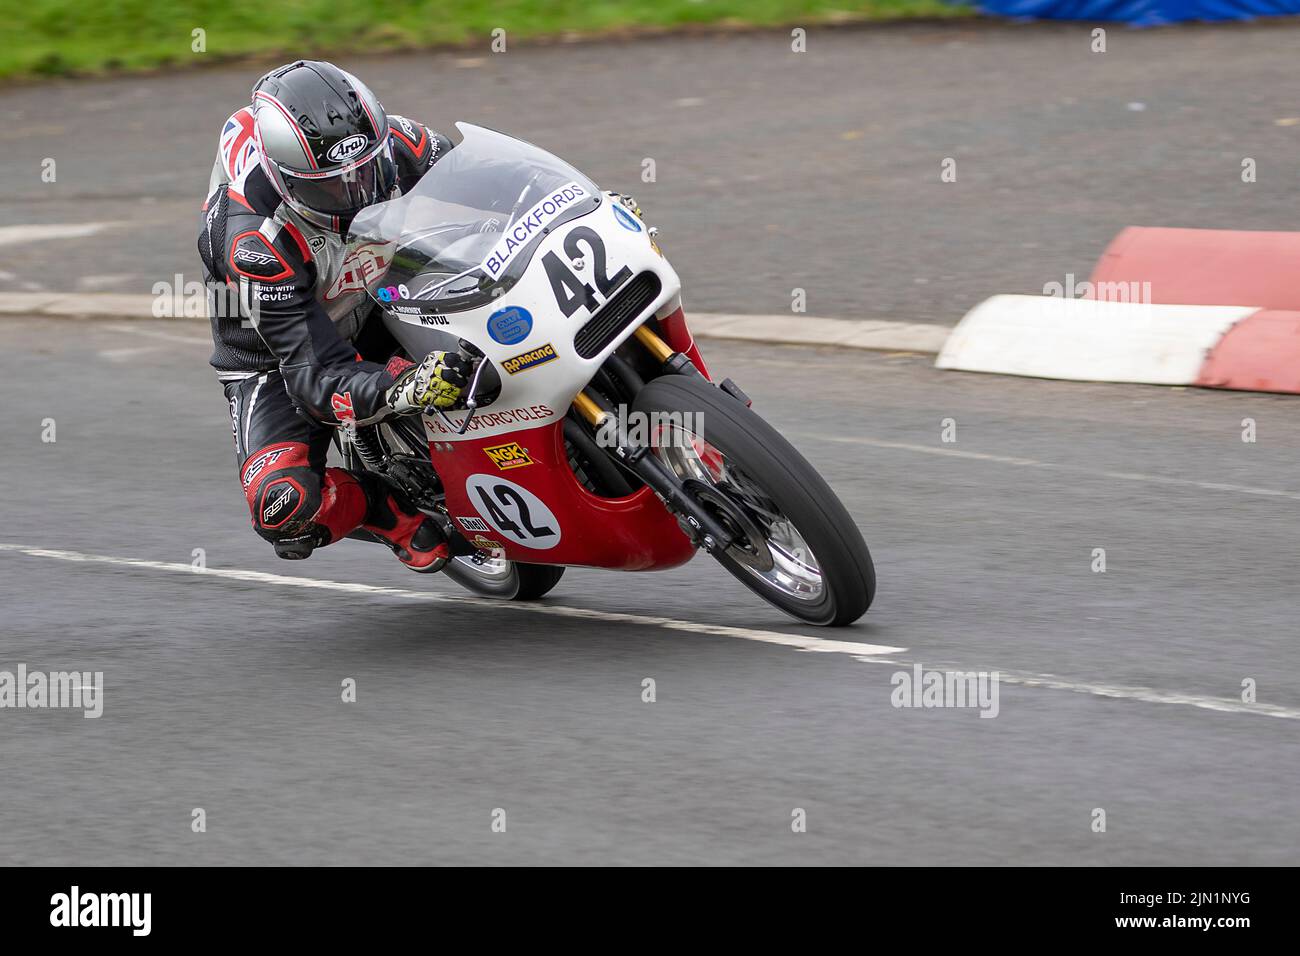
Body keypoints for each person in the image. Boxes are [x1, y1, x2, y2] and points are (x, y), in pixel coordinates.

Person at [197, 60, 467, 570]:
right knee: (282, 508)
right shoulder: (253, 241)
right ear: (285, 182)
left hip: (379, 284)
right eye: (329, 187)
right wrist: (398, 388)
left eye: (364, 173)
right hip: (276, 352)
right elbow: (313, 376)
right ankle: (383, 508)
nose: (356, 193)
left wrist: (576, 207)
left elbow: (484, 178)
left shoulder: (391, 142)